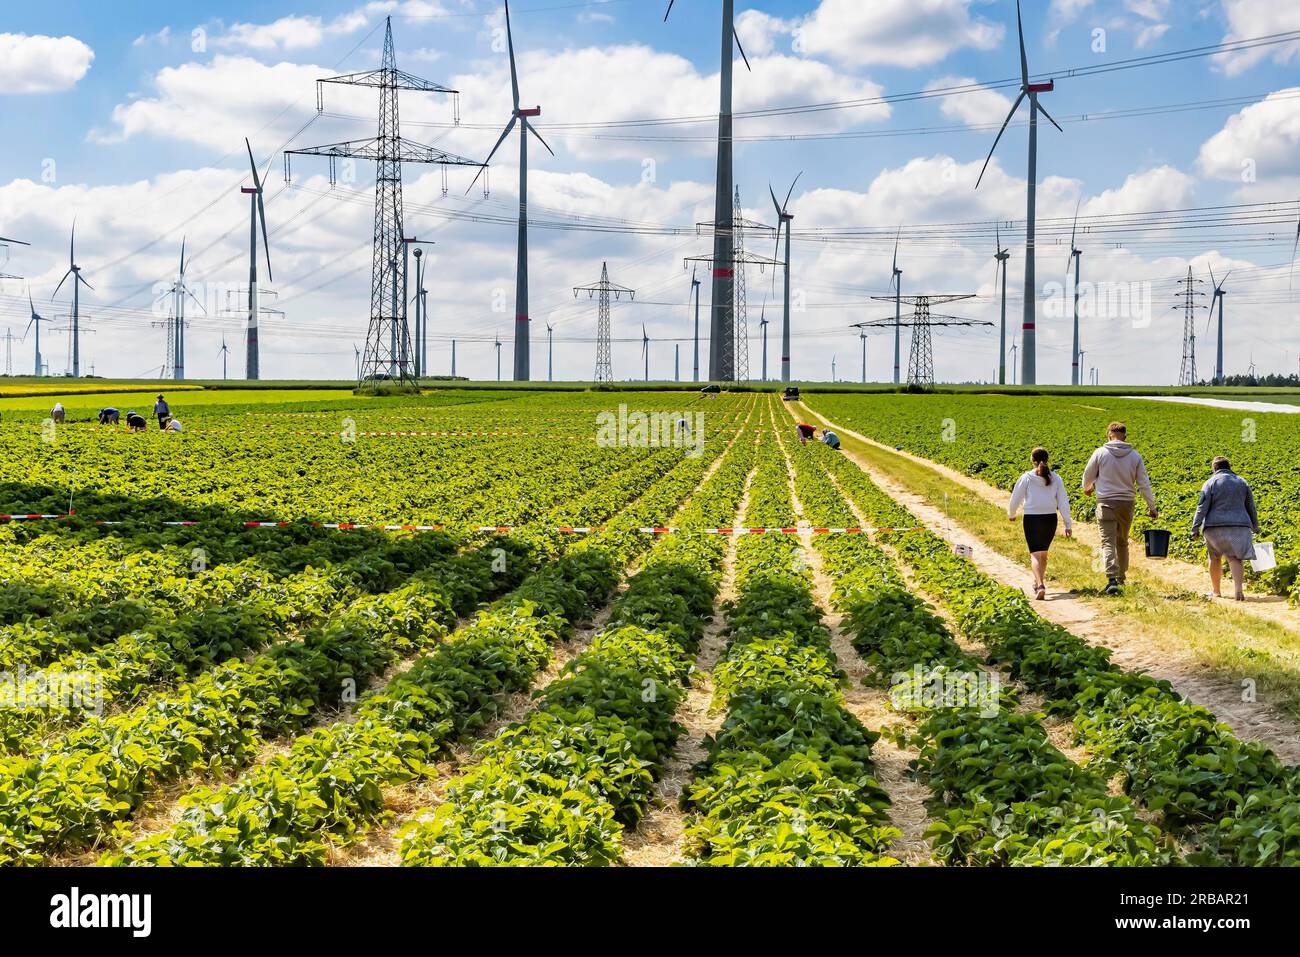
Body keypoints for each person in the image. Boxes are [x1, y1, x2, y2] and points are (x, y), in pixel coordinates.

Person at [1082, 421, 1157, 595]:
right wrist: (1151, 506)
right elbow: (1143, 483)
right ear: (1125, 435)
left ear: (1109, 434)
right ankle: (1122, 578)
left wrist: (1088, 487)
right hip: (1126, 503)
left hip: (1106, 502)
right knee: (1122, 542)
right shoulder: (1135, 456)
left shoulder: (1100, 453)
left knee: (1108, 541)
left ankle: (1111, 579)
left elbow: (1088, 475)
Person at [1191, 456, 1260, 602]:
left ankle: (1216, 592)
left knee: (1215, 557)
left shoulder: (1210, 482)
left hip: (1215, 527)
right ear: (1229, 467)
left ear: (1214, 468)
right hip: (1240, 526)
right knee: (1235, 558)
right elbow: (1251, 506)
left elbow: (1201, 507)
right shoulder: (1242, 482)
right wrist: (1255, 525)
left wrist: (1195, 527)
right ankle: (1238, 591)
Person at [1008, 447, 1073, 600]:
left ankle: (1040, 585)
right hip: (1050, 519)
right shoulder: (1056, 478)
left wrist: (1011, 514)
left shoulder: (1027, 477)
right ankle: (1038, 583)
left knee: (1035, 555)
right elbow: (1063, 502)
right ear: (1047, 459)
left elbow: (1016, 497)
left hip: (1032, 518)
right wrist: (1068, 524)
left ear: (1032, 460)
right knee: (1043, 554)